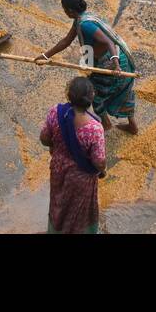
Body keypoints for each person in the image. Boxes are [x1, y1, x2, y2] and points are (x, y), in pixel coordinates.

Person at [37, 0, 139, 134]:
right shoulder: (80, 19)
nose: (64, 11)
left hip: (112, 62)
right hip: (108, 60)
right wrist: (45, 56)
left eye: (64, 9)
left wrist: (115, 64)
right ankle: (132, 126)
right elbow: (66, 41)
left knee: (94, 95)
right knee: (122, 92)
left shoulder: (85, 24)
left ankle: (106, 124)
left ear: (70, 10)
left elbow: (108, 42)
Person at [38, 76, 107, 234]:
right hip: (81, 179)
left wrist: (56, 148)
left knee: (58, 202)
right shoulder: (95, 128)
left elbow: (44, 138)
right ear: (91, 97)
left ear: (68, 95)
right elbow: (99, 161)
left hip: (58, 169)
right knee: (80, 211)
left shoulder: (56, 112)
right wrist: (102, 171)